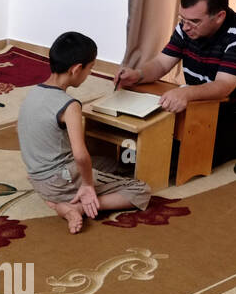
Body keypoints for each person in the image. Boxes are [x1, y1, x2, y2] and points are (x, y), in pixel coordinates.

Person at [116, 0, 236, 173]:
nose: (186, 26)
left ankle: (231, 146)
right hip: (201, 102)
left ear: (219, 16)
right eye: (183, 19)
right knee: (137, 147)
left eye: (195, 21)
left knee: (181, 162)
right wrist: (137, 75)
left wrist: (187, 93)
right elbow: (161, 63)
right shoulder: (187, 26)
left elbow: (224, 86)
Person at [17, 31, 151, 234]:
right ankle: (75, 206)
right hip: (61, 179)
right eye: (91, 68)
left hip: (38, 179)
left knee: (111, 164)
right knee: (140, 190)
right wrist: (87, 185)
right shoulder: (69, 106)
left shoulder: (34, 92)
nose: (89, 74)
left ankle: (56, 200)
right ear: (77, 69)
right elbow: (80, 155)